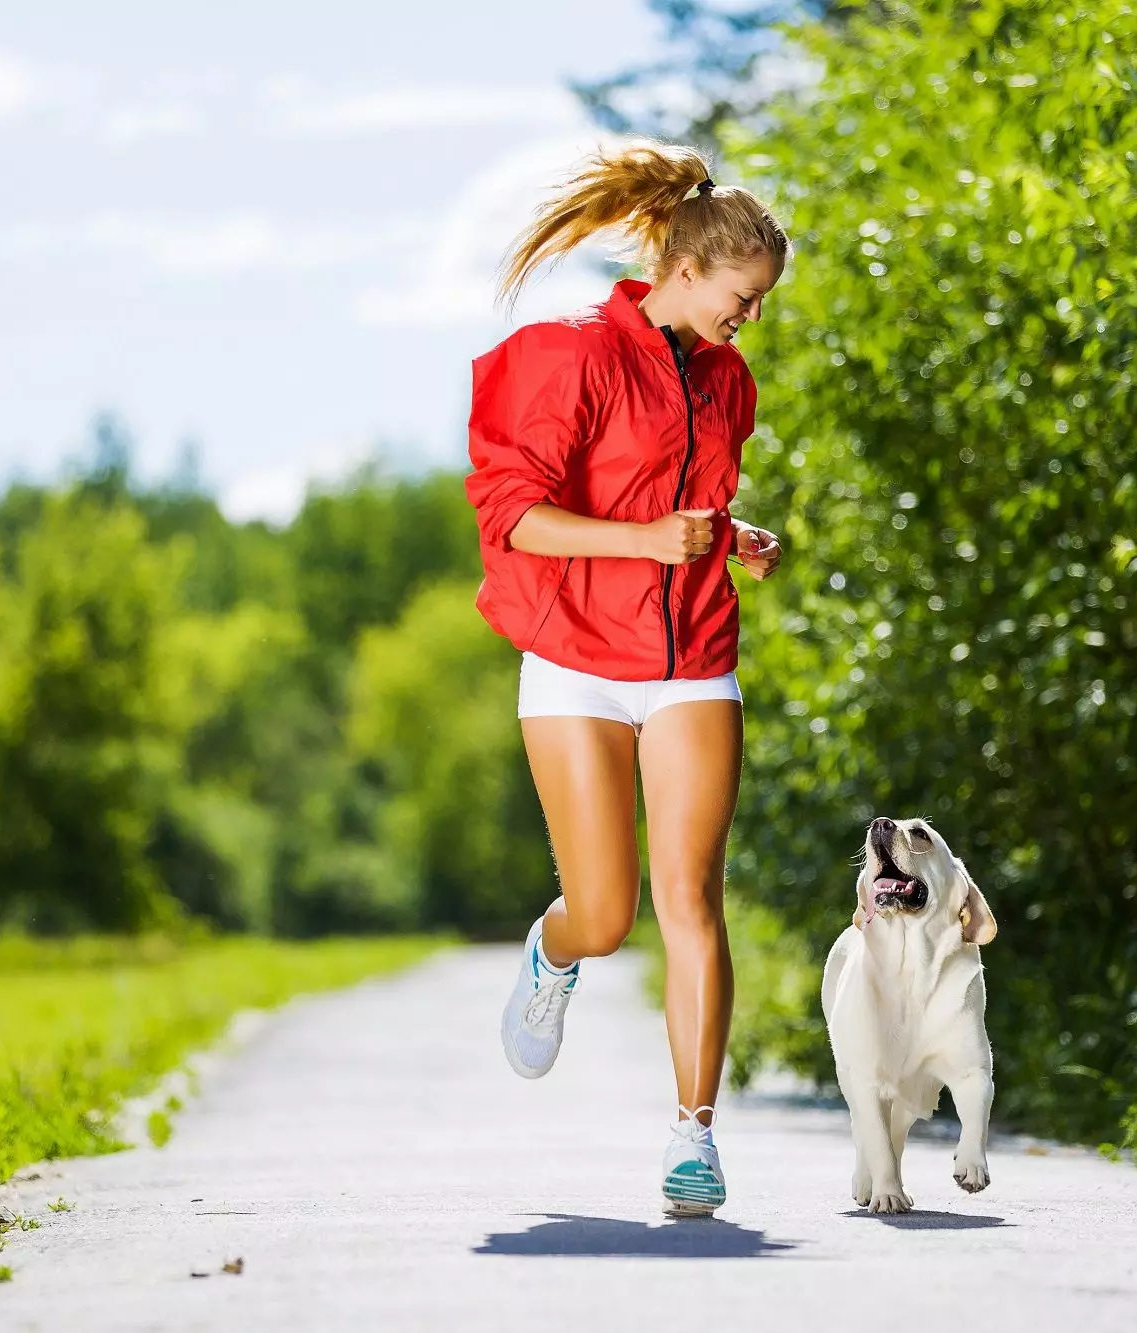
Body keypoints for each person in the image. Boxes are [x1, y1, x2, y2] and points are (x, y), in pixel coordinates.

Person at [464, 140, 790, 1217]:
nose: (750, 318)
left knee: (690, 897)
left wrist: (724, 536)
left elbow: (676, 503)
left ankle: (693, 1136)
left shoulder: (727, 380)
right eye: (743, 297)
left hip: (692, 658)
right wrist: (649, 541)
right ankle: (553, 954)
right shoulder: (566, 359)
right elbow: (516, 514)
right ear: (689, 271)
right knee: (605, 914)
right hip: (573, 661)